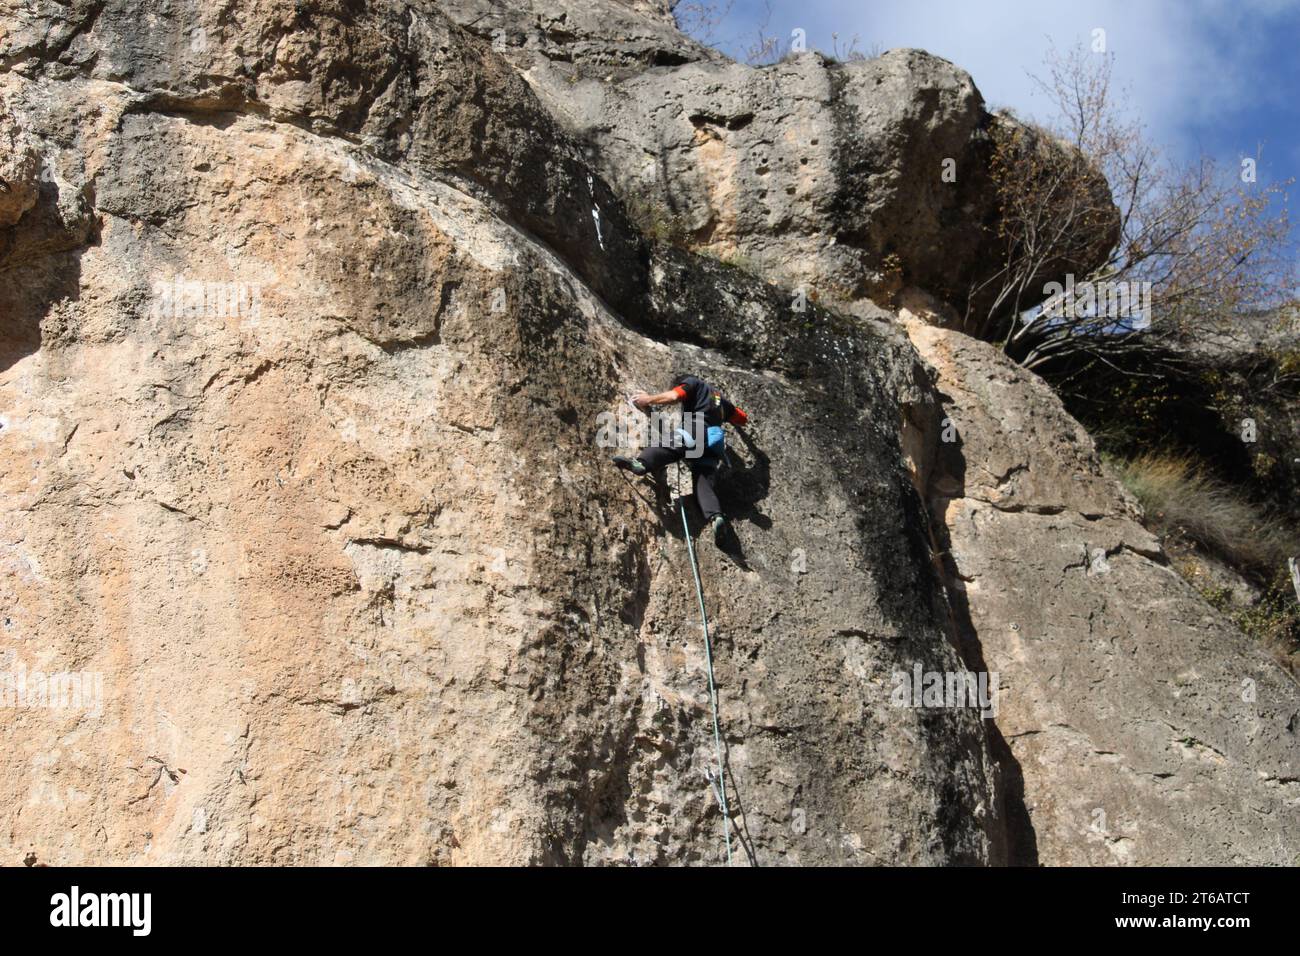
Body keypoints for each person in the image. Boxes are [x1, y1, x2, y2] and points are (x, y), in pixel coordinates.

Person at [612, 374, 750, 543]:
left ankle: (641, 463)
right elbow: (742, 418)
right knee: (702, 480)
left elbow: (674, 396)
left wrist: (647, 399)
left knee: (671, 445)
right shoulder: (719, 398)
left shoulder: (693, 383)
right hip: (715, 443)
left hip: (697, 428)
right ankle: (715, 516)